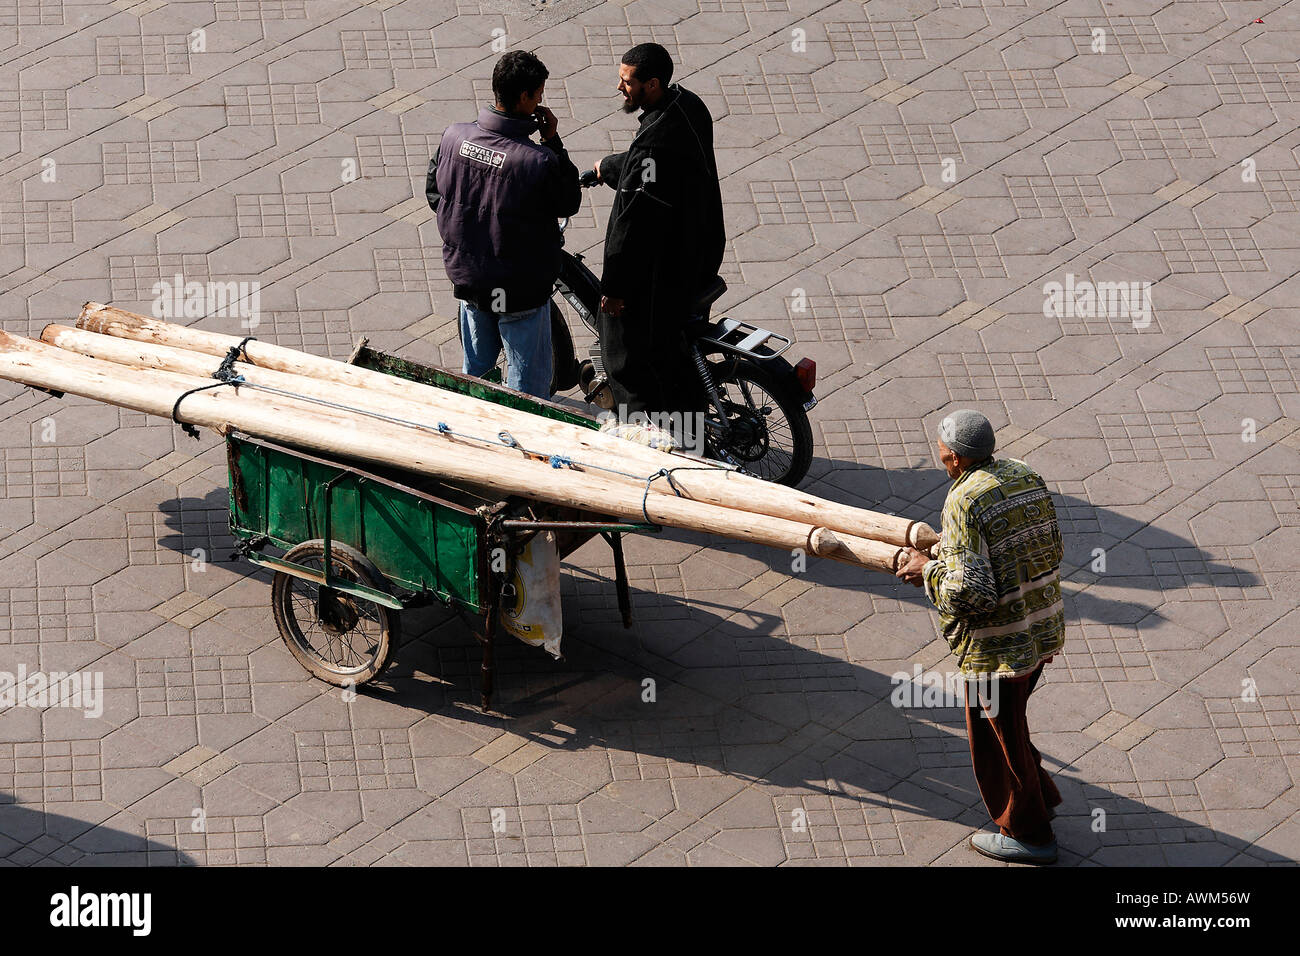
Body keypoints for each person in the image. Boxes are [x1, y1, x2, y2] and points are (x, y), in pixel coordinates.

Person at [895, 410, 1066, 865]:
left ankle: (1029, 835)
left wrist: (927, 570)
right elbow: (1049, 544)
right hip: (1041, 627)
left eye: (941, 454)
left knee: (997, 742)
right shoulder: (1023, 473)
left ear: (952, 458)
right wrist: (949, 548)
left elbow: (971, 593)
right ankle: (1041, 795)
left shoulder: (963, 500)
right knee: (1010, 725)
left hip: (999, 649)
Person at [426, 50, 581, 398]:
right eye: (539, 94)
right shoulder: (537, 161)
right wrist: (553, 140)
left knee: (476, 376)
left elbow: (435, 196)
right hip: (520, 291)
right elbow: (569, 201)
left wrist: (470, 232)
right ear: (525, 97)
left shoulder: (453, 138)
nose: (541, 100)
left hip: (469, 282)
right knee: (527, 392)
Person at [591, 42, 724, 437]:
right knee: (670, 348)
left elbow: (628, 228)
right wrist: (607, 167)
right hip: (701, 245)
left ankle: (643, 434)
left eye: (626, 81)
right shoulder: (688, 105)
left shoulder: (652, 143)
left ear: (651, 83)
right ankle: (691, 423)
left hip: (665, 268)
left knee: (623, 350)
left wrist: (613, 290)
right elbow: (653, 164)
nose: (619, 87)